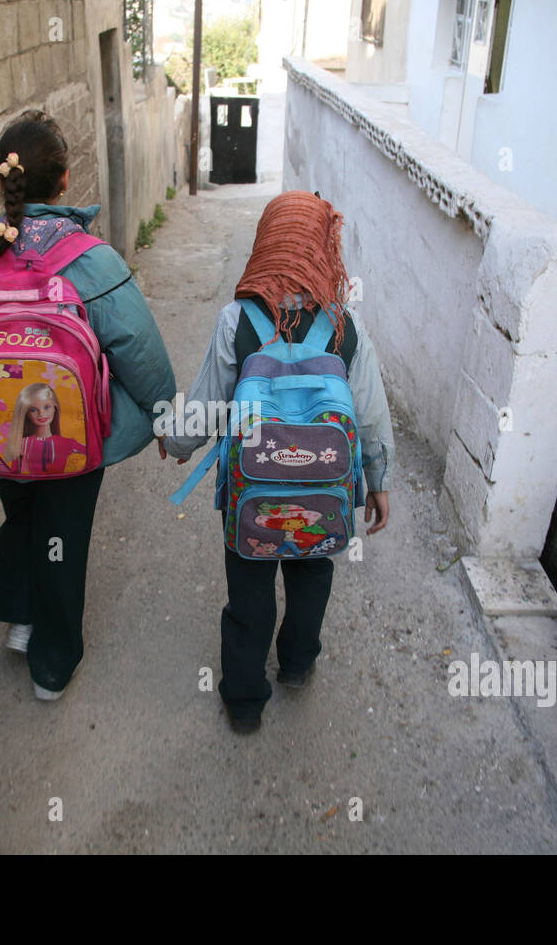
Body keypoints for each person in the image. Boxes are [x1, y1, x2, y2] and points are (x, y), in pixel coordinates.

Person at [0, 110, 175, 701]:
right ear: (65, 181)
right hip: (72, 440)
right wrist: (167, 414)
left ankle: (21, 617)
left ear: (2, 182)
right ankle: (51, 665)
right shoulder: (91, 260)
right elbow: (137, 349)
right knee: (62, 535)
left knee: (22, 517)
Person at [158, 190, 395, 733]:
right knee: (313, 575)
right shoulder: (346, 326)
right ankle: (297, 663)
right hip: (325, 491)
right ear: (324, 247)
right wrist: (377, 480)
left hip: (250, 490)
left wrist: (176, 443)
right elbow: (370, 416)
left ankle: (243, 700)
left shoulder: (235, 320)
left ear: (267, 243)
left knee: (248, 587)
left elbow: (206, 404)